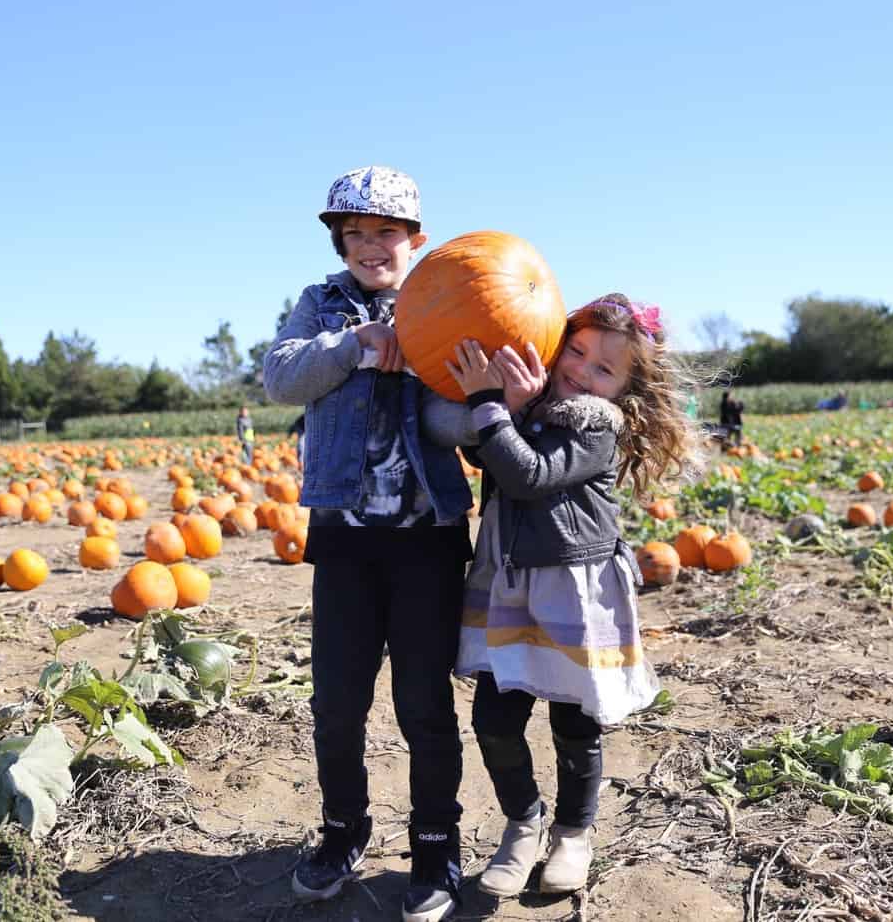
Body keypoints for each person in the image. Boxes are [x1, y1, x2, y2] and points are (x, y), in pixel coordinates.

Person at [263, 165, 477, 922]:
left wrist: (472, 388)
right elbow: (280, 376)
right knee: (337, 703)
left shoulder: (447, 299)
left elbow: (466, 409)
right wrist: (359, 342)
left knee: (424, 704)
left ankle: (434, 842)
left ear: (414, 239)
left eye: (385, 232)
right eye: (354, 233)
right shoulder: (321, 305)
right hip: (344, 536)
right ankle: (343, 830)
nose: (369, 245)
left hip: (428, 538)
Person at [446, 294, 699, 900]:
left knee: (575, 727)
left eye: (604, 369)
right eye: (577, 351)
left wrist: (490, 404)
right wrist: (504, 404)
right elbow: (483, 449)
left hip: (577, 592)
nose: (581, 371)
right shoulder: (534, 407)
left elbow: (527, 473)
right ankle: (523, 822)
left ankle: (573, 834)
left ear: (624, 389)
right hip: (512, 583)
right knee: (494, 720)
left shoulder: (594, 427)